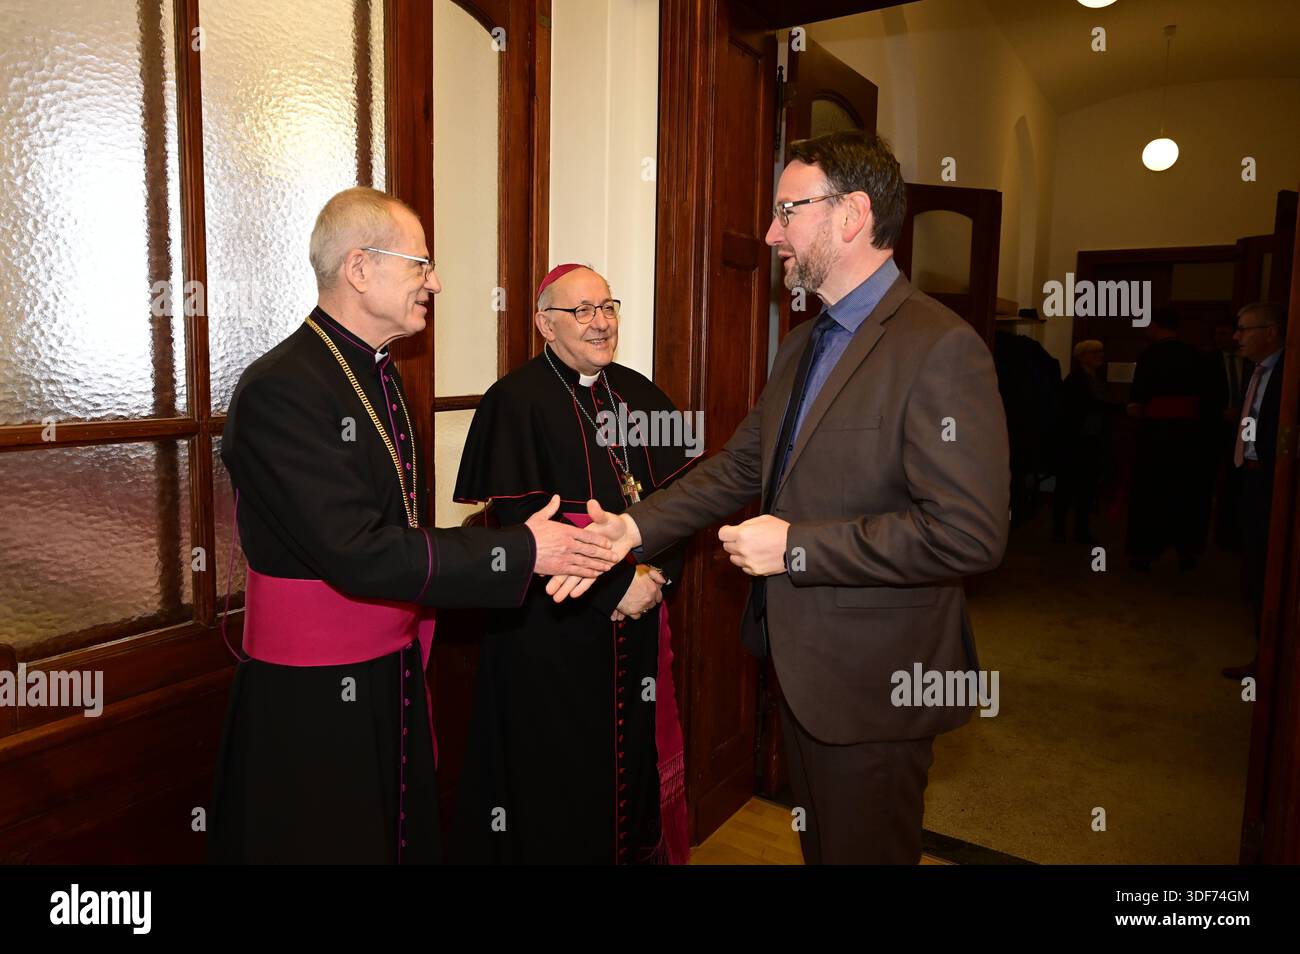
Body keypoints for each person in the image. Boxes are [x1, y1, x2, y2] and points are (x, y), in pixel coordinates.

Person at [551, 130, 1009, 864]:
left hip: (877, 683)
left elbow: (969, 533)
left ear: (850, 215)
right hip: (798, 666)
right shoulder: (803, 342)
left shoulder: (940, 347)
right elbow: (741, 468)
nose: (770, 234)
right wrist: (630, 530)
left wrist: (794, 546)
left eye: (787, 210)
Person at [208, 187, 614, 863]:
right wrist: (521, 549)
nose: (437, 281)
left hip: (387, 667)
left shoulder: (378, 374)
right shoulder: (281, 388)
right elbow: (358, 552)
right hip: (313, 696)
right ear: (360, 268)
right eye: (421, 265)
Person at [449, 264, 696, 864]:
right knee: (554, 778)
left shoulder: (641, 395)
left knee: (629, 770)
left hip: (635, 626)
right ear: (544, 324)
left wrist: (654, 577)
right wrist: (616, 586)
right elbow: (521, 527)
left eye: (607, 306)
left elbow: (686, 500)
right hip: (550, 634)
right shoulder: (515, 401)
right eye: (581, 310)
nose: (601, 321)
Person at [1124, 307, 1219, 571]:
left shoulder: (1149, 356)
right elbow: (1209, 400)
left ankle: (1144, 552)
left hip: (1156, 436)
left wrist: (1136, 411)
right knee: (1187, 493)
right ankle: (1187, 550)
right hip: (1190, 437)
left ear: (1155, 326)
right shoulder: (1198, 356)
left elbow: (1136, 402)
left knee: (1151, 493)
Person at [1222, 302, 1287, 680]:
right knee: (1256, 564)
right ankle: (1264, 654)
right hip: (1252, 475)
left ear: (1270, 333)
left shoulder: (1287, 373)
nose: (1236, 337)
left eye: (1244, 329)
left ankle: (1273, 662)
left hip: (1273, 480)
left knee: (1271, 568)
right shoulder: (1258, 371)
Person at [1054, 339, 1110, 545]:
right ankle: (1059, 530)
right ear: (1082, 356)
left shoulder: (1096, 380)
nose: (1100, 355)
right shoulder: (1075, 381)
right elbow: (1070, 413)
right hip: (1074, 442)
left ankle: (1081, 530)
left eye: (1101, 351)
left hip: (1091, 440)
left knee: (1086, 488)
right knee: (1066, 487)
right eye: (1095, 352)